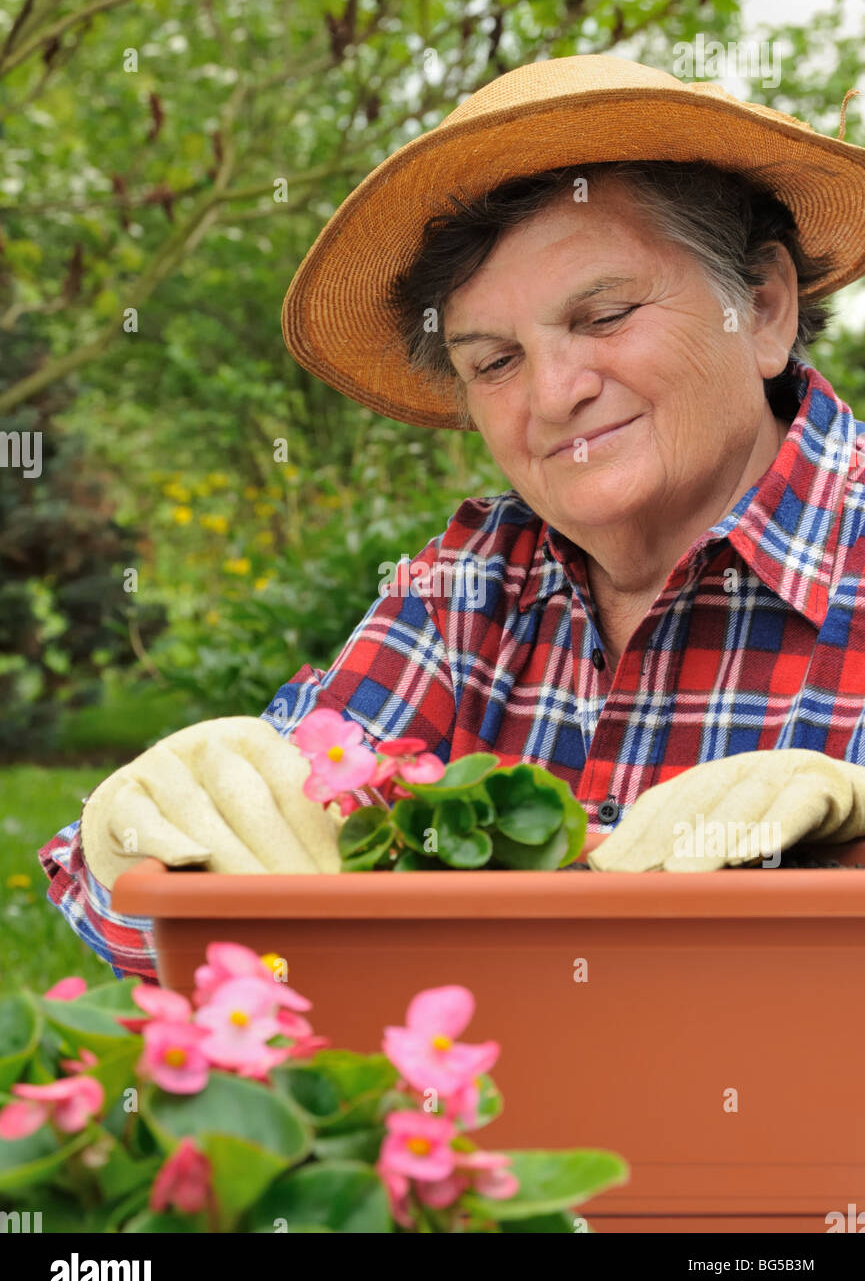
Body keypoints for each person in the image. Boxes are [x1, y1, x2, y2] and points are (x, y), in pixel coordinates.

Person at [38, 54, 865, 979]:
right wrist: (143, 838)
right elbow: (128, 909)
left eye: (602, 316)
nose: (554, 395)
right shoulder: (469, 588)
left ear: (760, 308)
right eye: (495, 361)